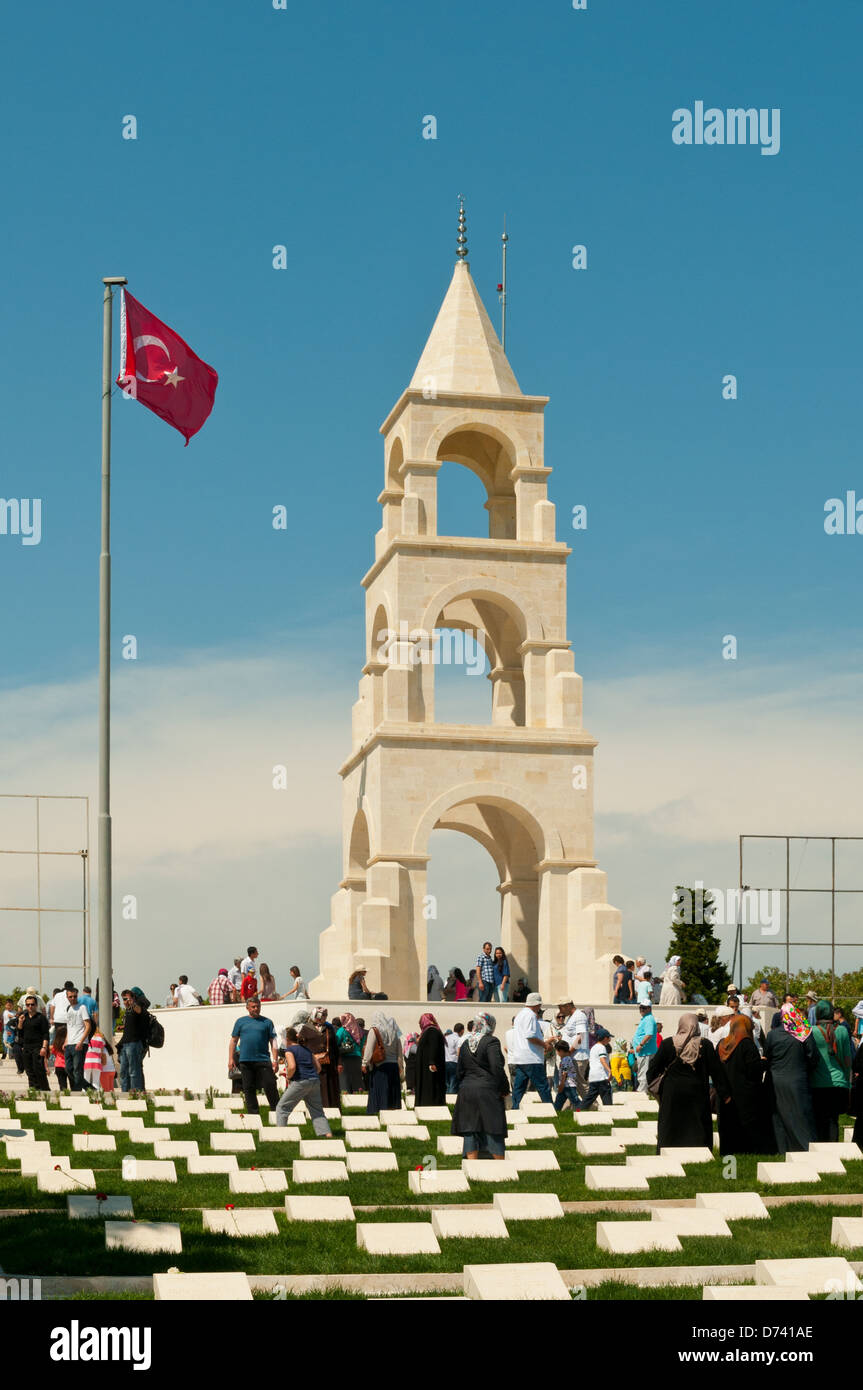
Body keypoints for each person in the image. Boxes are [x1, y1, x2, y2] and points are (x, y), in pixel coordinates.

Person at [648, 1012, 730, 1150]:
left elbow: (652, 1070)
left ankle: (668, 1149)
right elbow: (717, 1072)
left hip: (672, 1092)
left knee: (671, 1124)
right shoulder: (705, 1045)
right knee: (697, 1124)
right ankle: (700, 1151)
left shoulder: (668, 1043)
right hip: (697, 1092)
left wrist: (660, 1090)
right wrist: (725, 1093)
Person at [451, 1012, 509, 1159]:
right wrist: (504, 1088)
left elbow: (459, 1070)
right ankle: (501, 1165)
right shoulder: (491, 1041)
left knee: (470, 1129)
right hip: (487, 1090)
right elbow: (496, 1067)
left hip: (467, 1089)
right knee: (493, 1127)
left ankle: (471, 1166)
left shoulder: (465, 1043)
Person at [717, 1014, 774, 1155]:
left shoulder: (721, 1045)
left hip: (726, 1093)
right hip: (745, 1093)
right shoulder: (747, 1044)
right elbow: (754, 1070)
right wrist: (764, 1062)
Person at [763, 1006, 817, 1153]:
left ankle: (783, 1148)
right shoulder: (804, 1032)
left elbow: (767, 1055)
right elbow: (813, 1056)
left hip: (777, 1080)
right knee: (801, 1115)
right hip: (798, 1078)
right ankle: (806, 1147)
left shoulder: (772, 1034)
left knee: (780, 1115)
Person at [276, 1026, 332, 1136]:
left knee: (282, 1107)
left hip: (300, 1081)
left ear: (287, 1039)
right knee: (317, 1110)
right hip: (314, 1080)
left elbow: (292, 1067)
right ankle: (326, 1133)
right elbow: (318, 1068)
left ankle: (281, 1134)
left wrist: (289, 1077)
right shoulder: (307, 1049)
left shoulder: (289, 1051)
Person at [809, 998, 852, 1142]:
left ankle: (820, 1148)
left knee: (819, 1119)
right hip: (838, 1082)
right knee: (833, 1120)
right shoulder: (842, 1031)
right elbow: (847, 1060)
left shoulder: (811, 1031)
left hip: (817, 1083)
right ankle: (834, 1147)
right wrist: (847, 1081)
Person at [229, 997, 279, 1115]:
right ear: (247, 1008)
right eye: (253, 1007)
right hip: (245, 1060)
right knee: (248, 1088)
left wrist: (275, 1060)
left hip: (263, 1059)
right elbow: (234, 1041)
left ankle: (277, 1111)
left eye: (258, 1006)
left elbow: (273, 1042)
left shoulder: (267, 1022)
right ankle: (253, 1114)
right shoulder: (240, 1022)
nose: (256, 1009)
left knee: (270, 1085)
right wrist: (230, 1058)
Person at [509, 993, 553, 1108]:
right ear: (537, 1004)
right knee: (543, 1086)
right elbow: (530, 1036)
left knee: (519, 1088)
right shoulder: (531, 1015)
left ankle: (515, 1108)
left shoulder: (519, 1015)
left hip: (520, 1057)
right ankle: (550, 1109)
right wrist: (545, 1045)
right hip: (532, 1057)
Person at [362, 1011, 404, 1114]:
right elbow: (399, 1050)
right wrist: (400, 1066)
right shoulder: (394, 1031)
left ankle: (377, 1110)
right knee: (391, 1091)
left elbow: (369, 1048)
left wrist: (364, 1063)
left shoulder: (374, 1030)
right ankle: (391, 1111)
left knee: (380, 1090)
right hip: (393, 1065)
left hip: (380, 1065)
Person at [117, 988, 152, 1092]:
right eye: (124, 999)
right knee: (124, 1072)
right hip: (125, 1044)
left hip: (134, 1044)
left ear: (133, 998)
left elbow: (139, 1011)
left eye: (127, 999)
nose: (125, 1001)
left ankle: (136, 1093)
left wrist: (133, 1003)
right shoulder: (127, 1011)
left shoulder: (138, 1008)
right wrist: (122, 1027)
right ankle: (125, 1093)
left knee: (134, 1071)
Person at [557, 1000, 589, 1098]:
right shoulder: (571, 1017)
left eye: (560, 1008)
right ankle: (568, 1105)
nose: (560, 1011)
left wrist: (569, 1053)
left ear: (567, 1005)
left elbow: (581, 1036)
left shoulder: (579, 1016)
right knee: (569, 1083)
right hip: (571, 1056)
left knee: (580, 1084)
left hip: (577, 1056)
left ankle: (592, 1104)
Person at [310, 1007, 341, 1109]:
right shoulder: (307, 1028)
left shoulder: (329, 1028)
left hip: (329, 1063)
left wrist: (339, 1063)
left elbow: (335, 1047)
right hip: (313, 1063)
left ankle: (332, 1108)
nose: (324, 1017)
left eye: (325, 1015)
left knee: (331, 1086)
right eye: (322, 1015)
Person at [17, 995, 50, 1090]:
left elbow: (45, 1034)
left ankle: (45, 1090)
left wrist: (44, 1047)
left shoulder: (41, 1018)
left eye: (32, 1004)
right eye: (28, 1005)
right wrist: (20, 1022)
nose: (30, 1006)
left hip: (38, 1047)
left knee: (38, 1069)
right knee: (29, 1070)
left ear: (36, 1005)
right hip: (26, 1047)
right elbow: (20, 1032)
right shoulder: (23, 1017)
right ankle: (33, 1090)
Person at [63, 985, 93, 1091]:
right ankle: (89, 1088)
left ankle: (78, 1091)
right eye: (70, 997)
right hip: (69, 1043)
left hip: (80, 1043)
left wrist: (81, 1041)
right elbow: (69, 1026)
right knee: (68, 1069)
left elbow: (88, 1026)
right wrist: (66, 1041)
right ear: (67, 997)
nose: (72, 998)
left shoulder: (82, 1008)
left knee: (77, 1070)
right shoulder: (68, 1008)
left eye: (74, 996)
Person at [414, 1012, 446, 1105]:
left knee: (431, 1085)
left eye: (421, 1022)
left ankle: (429, 1103)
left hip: (429, 1066)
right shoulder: (428, 1031)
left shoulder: (432, 1030)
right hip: (427, 1065)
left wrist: (432, 1062)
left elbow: (433, 1046)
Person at [631, 1002, 658, 1091]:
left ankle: (642, 1093)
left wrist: (641, 1045)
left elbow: (649, 1034)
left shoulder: (649, 1019)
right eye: (640, 1008)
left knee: (643, 1075)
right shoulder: (646, 1018)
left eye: (644, 1008)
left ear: (649, 1008)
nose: (641, 1010)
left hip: (645, 1052)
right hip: (644, 1052)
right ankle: (643, 1092)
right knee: (642, 1074)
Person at [335, 1012, 363, 1093]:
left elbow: (336, 1042)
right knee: (356, 1080)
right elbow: (361, 1044)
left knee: (345, 1080)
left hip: (346, 1058)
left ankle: (346, 1096)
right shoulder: (359, 1030)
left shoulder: (342, 1030)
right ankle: (358, 1095)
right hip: (357, 1058)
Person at [553, 1040, 582, 1112]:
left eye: (557, 1051)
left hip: (569, 1086)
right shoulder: (568, 1058)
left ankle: (581, 1112)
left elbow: (564, 1073)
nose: (557, 1053)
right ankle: (555, 1113)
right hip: (565, 1086)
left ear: (561, 1051)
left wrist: (562, 1084)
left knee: (576, 1101)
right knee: (558, 1102)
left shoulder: (566, 1059)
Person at [444, 1026, 462, 1094]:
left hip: (445, 1062)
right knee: (453, 1083)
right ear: (462, 1030)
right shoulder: (458, 1039)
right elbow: (458, 1052)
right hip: (453, 1062)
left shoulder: (445, 1038)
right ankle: (451, 1099)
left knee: (447, 1084)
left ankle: (447, 1099)